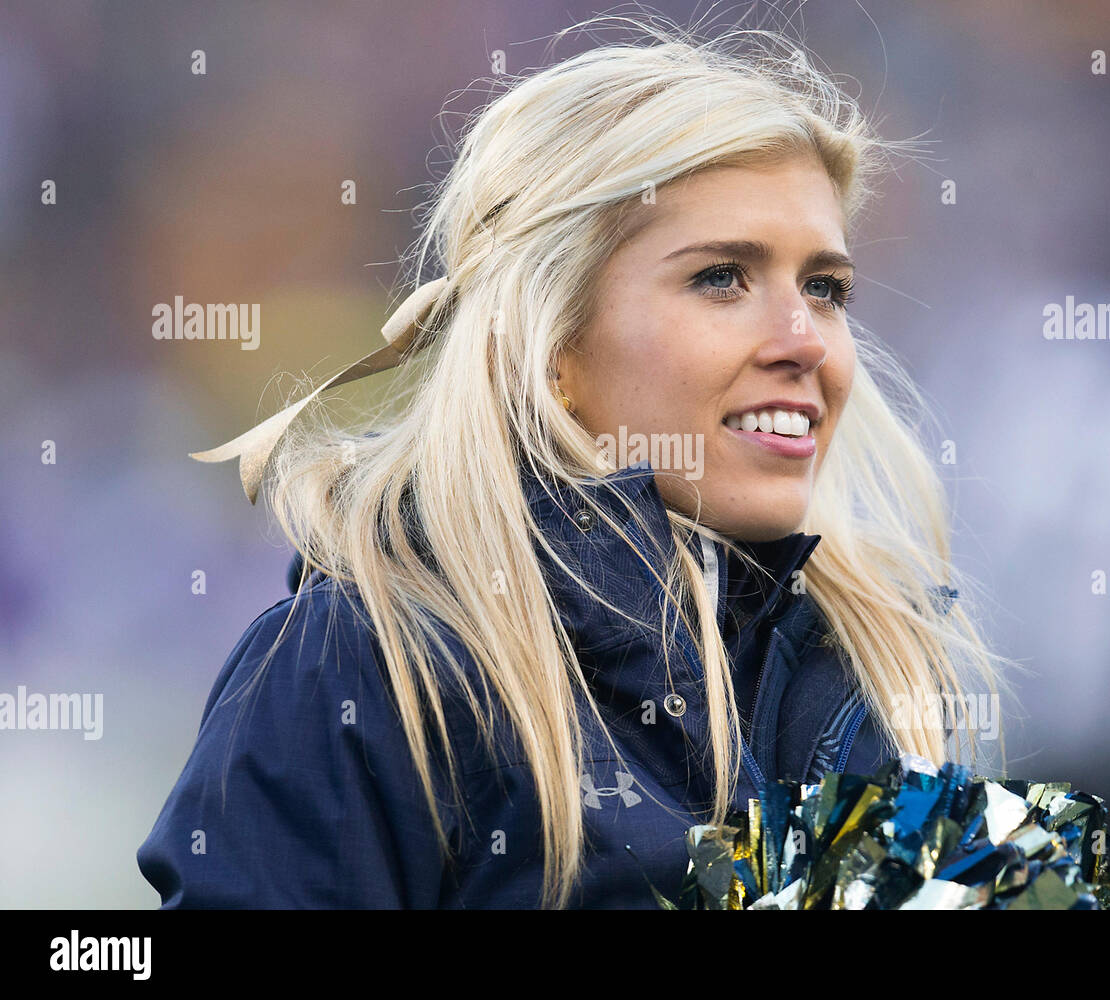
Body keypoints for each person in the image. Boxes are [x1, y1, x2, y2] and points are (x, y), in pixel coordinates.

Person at [137, 18, 1009, 909]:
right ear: (552, 345)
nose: (804, 343)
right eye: (721, 278)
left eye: (825, 288)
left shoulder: (873, 676)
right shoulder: (363, 665)